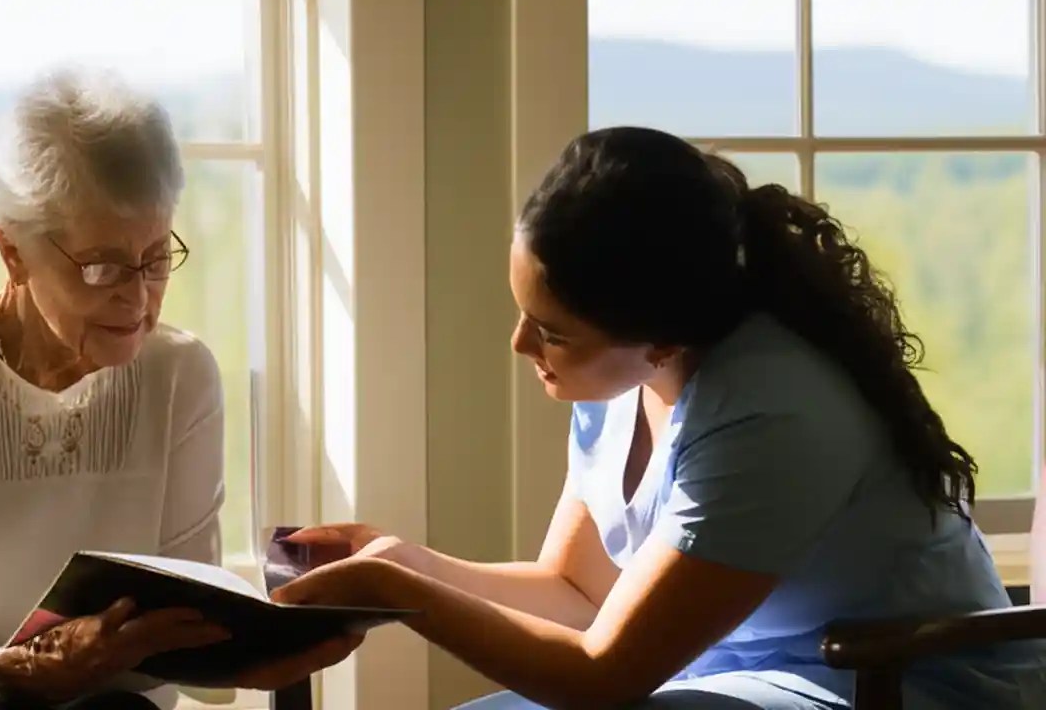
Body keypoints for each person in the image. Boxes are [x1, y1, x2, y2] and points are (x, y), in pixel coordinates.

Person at [271, 126, 1046, 708]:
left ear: (662, 335)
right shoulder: (620, 382)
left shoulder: (771, 408)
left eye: (553, 330)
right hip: (738, 673)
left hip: (893, 682)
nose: (519, 344)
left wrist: (407, 597)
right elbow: (579, 593)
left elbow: (604, 675)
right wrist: (404, 562)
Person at [0, 68, 358, 710]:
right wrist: (1, 665)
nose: (138, 298)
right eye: (103, 265)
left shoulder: (181, 375)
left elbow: (186, 598)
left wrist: (251, 649)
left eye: (153, 259)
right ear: (14, 252)